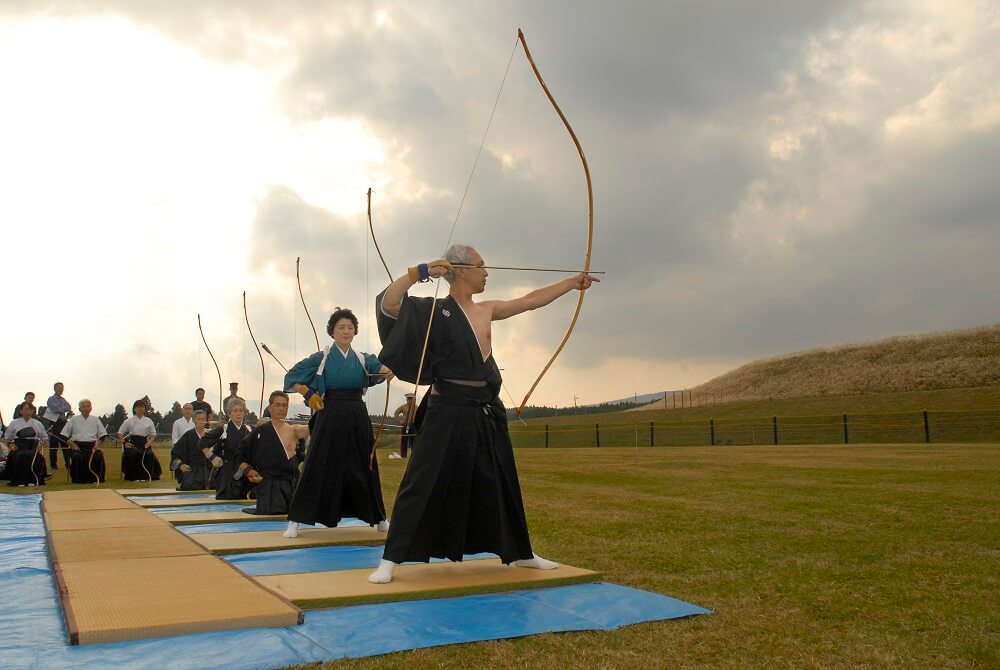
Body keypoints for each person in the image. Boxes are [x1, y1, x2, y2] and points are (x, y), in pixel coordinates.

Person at [368, 244, 599, 583]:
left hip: (486, 409)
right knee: (422, 478)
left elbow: (528, 301)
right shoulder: (434, 311)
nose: (487, 273)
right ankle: (390, 559)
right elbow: (389, 304)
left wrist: (570, 283)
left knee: (502, 479)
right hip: (447, 408)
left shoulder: (486, 309)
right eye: (481, 266)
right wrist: (420, 272)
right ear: (460, 270)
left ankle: (521, 552)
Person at [282, 307, 393, 538]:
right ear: (332, 332)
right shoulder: (321, 358)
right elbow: (291, 377)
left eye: (350, 327)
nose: (346, 331)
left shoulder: (362, 358)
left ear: (355, 332)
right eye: (341, 327)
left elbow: (379, 368)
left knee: (365, 464)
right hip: (329, 413)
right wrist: (308, 392)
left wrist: (386, 370)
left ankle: (379, 517)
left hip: (357, 414)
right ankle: (295, 519)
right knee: (317, 463)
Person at [237, 391, 307, 515]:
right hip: (268, 487)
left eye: (284, 405)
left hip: (290, 485)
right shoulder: (260, 431)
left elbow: (315, 427)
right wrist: (247, 470)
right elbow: (240, 452)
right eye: (277, 405)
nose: (281, 409)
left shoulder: (294, 430)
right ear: (270, 407)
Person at [199, 400, 251, 499]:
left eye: (241, 410)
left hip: (244, 471)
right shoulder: (223, 429)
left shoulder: (249, 430)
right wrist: (212, 457)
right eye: (235, 411)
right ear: (229, 413)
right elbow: (202, 442)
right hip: (227, 472)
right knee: (227, 496)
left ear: (244, 413)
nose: (238, 413)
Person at [61, 399, 108, 484]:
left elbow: (103, 435)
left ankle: (97, 479)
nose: (86, 408)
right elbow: (63, 434)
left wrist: (97, 445)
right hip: (78, 446)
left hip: (92, 446)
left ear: (91, 408)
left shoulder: (95, 419)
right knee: (77, 457)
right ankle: (78, 480)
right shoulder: (73, 420)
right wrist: (72, 444)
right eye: (84, 406)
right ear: (80, 409)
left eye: (88, 406)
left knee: (98, 456)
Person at [3, 402, 49, 486]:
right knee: (21, 455)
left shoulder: (37, 423)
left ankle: (33, 480)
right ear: (21, 411)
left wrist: (40, 445)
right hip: (18, 447)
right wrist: (10, 445)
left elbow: (44, 437)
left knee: (35, 456)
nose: (29, 411)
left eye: (31, 409)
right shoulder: (14, 422)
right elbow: (7, 437)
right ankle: (19, 481)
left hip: (32, 446)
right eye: (27, 409)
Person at [169, 410, 216, 490]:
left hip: (209, 468)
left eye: (203, 419)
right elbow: (175, 452)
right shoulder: (188, 435)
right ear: (194, 420)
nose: (201, 421)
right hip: (193, 469)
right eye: (198, 419)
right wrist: (181, 465)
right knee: (190, 486)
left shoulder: (211, 435)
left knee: (216, 485)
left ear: (206, 421)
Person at [118, 399, 161, 481]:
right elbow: (120, 433)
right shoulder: (129, 421)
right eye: (138, 407)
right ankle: (132, 476)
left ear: (145, 409)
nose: (141, 409)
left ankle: (147, 476)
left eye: (142, 407)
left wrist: (149, 442)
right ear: (134, 409)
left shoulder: (149, 421)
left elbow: (153, 434)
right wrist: (124, 442)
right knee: (134, 453)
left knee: (150, 454)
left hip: (144, 443)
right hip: (132, 443)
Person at [42, 382, 73, 470]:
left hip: (63, 423)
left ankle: (68, 464)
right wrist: (63, 409)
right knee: (54, 444)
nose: (61, 390)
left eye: (62, 388)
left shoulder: (63, 399)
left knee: (65, 443)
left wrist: (62, 408)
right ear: (55, 389)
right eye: (59, 388)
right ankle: (53, 464)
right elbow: (54, 408)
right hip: (54, 423)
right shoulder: (51, 399)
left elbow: (69, 407)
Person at [392, 393, 417, 459]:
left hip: (413, 425)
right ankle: (403, 456)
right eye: (408, 399)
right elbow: (396, 413)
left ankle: (414, 456)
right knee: (404, 441)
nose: (409, 400)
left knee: (413, 441)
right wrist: (400, 421)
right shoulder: (403, 407)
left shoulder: (416, 407)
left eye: (411, 399)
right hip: (405, 425)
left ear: (413, 399)